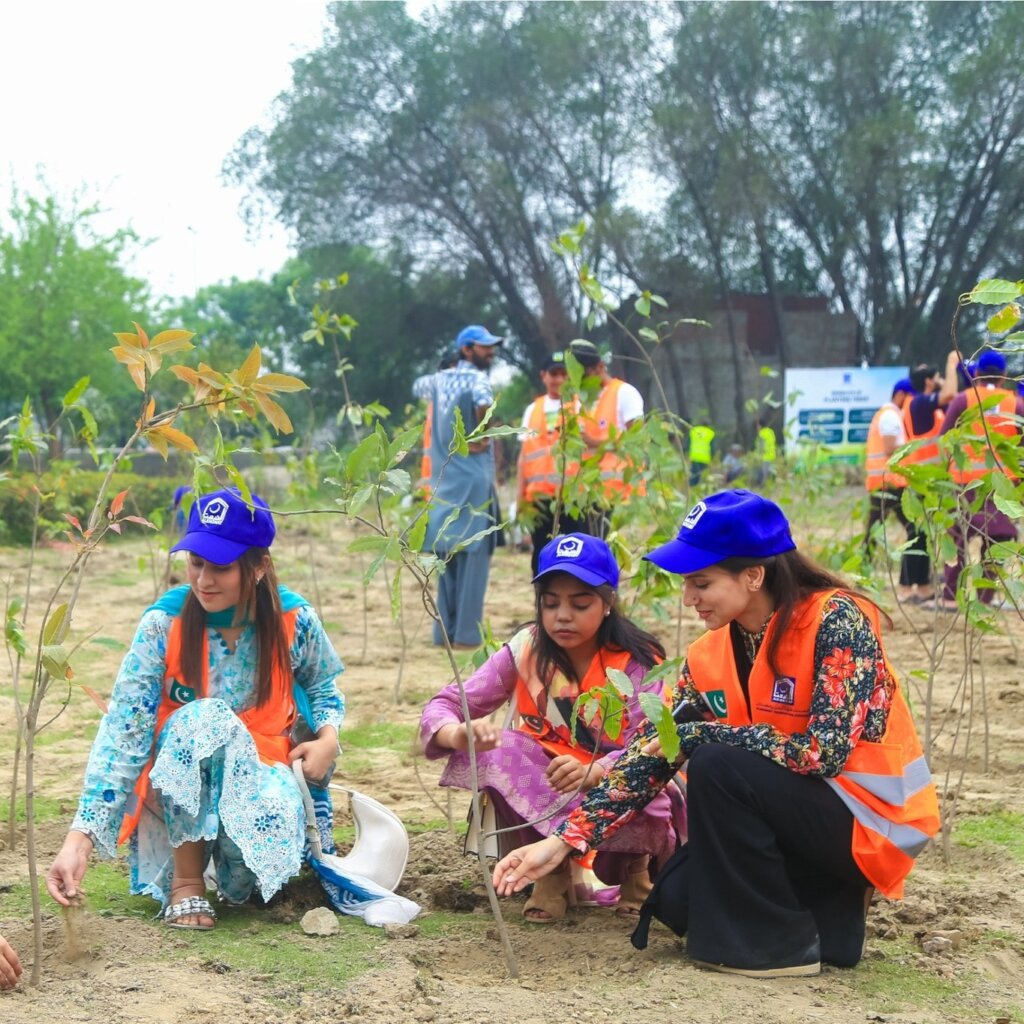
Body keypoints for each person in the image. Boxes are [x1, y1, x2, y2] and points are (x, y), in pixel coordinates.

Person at [494, 490, 939, 977]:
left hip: (866, 822)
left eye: (701, 583)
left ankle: (773, 952)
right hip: (796, 821)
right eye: (687, 583)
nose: (689, 598)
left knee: (715, 761)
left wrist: (706, 736)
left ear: (753, 575)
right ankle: (819, 919)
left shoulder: (836, 620)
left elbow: (823, 755)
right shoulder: (710, 653)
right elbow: (653, 754)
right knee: (679, 902)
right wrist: (563, 842)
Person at [46, 487, 345, 930]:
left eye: (221, 567)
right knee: (206, 719)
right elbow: (123, 734)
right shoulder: (163, 625)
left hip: (262, 770)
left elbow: (323, 688)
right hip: (177, 790)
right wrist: (80, 839)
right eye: (195, 562)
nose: (204, 579)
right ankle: (186, 882)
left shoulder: (293, 620)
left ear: (259, 566)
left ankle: (229, 862)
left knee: (250, 889)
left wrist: (327, 739)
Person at [420, 533, 685, 922]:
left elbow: (651, 747)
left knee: (650, 783)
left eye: (580, 604)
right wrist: (457, 734)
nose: (563, 616)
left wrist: (595, 772)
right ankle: (553, 875)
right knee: (500, 749)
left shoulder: (637, 661)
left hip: (615, 785)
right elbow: (445, 705)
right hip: (550, 781)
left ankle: (635, 873)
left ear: (608, 602)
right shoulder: (526, 649)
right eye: (551, 603)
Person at [413, 325, 503, 648]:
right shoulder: (478, 380)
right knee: (475, 556)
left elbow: (417, 386)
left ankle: (444, 634)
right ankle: (466, 635)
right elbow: (483, 402)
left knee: (445, 555)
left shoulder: (437, 380)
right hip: (473, 477)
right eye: (485, 347)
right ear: (467, 349)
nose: (491, 352)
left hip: (444, 479)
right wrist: (481, 435)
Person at [927, 349, 1024, 611]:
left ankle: (949, 597)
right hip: (1001, 487)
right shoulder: (1015, 404)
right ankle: (985, 600)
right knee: (1000, 540)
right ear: (1004, 376)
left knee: (956, 538)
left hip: (963, 484)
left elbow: (945, 437)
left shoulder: (963, 399)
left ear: (977, 374)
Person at [516, 350, 590, 574]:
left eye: (562, 374)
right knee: (540, 554)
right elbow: (524, 456)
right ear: (543, 376)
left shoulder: (578, 408)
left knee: (573, 555)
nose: (558, 379)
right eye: (553, 374)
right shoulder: (532, 410)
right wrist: (521, 498)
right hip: (539, 498)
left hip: (570, 498)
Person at [895, 352, 960, 602]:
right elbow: (950, 394)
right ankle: (913, 587)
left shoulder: (921, 403)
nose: (943, 379)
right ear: (930, 382)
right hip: (922, 478)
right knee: (918, 533)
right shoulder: (920, 403)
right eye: (938, 377)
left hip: (927, 479)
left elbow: (953, 399)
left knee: (921, 533)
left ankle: (919, 585)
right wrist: (951, 365)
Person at [565, 339, 646, 537]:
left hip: (616, 492)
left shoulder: (625, 393)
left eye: (585, 376)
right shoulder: (580, 399)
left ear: (600, 367)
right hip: (587, 492)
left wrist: (595, 443)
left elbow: (637, 440)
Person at [863, 378, 917, 598]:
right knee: (914, 529)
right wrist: (915, 446)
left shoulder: (889, 415)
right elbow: (888, 447)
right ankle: (904, 579)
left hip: (886, 482)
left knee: (873, 530)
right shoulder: (890, 415)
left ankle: (864, 574)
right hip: (890, 483)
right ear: (901, 395)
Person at [688, 421, 715, 486]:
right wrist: (712, 457)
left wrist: (685, 452)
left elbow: (688, 443)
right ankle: (698, 488)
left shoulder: (693, 431)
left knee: (694, 474)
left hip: (694, 456)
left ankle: (691, 487)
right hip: (705, 458)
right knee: (702, 475)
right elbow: (713, 447)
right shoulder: (711, 433)